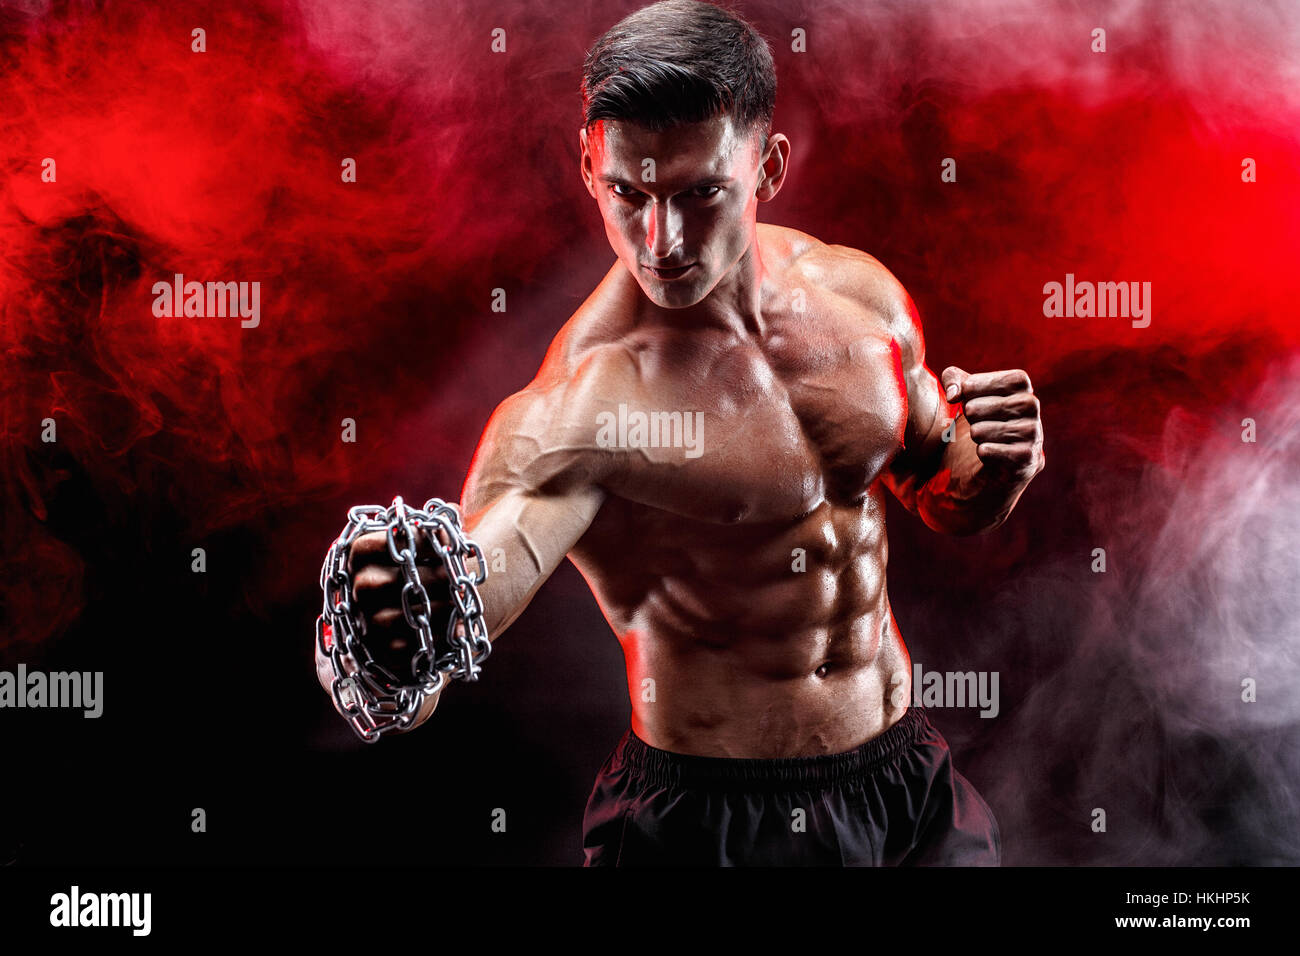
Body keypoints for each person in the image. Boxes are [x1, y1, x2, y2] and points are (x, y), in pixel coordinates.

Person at [315, 0, 1044, 866]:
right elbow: (473, 587)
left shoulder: (861, 300)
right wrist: (391, 639)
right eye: (630, 193)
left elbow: (939, 489)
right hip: (713, 827)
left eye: (701, 194)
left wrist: (996, 464)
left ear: (767, 167)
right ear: (588, 167)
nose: (660, 241)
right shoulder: (585, 399)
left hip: (906, 783)